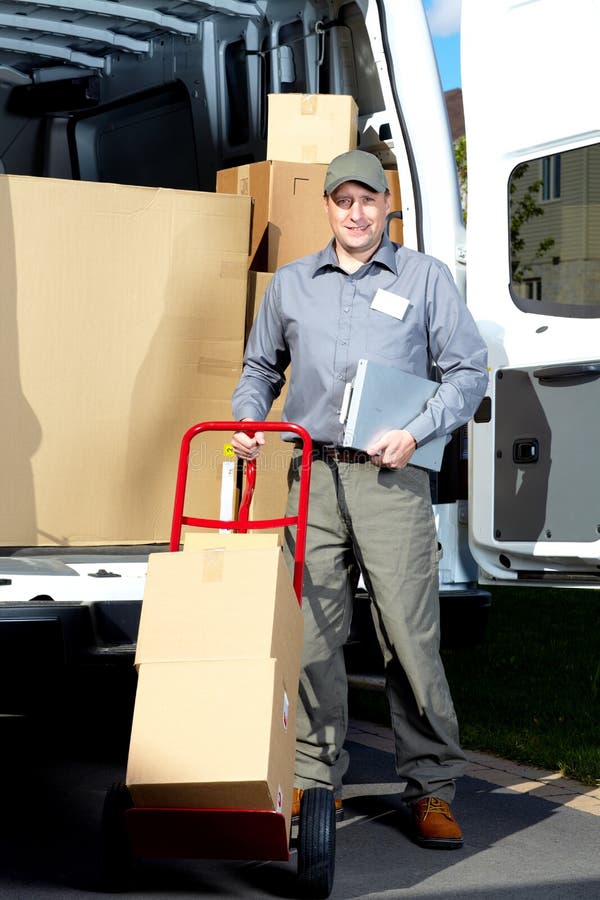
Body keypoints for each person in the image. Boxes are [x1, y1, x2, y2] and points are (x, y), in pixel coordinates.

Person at [231, 149, 488, 849]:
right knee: (314, 637)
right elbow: (259, 368)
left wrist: (417, 430)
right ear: (327, 207)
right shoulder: (291, 285)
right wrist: (249, 418)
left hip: (391, 478)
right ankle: (313, 781)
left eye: (368, 200)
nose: (356, 213)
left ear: (386, 206)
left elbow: (469, 372)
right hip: (311, 477)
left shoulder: (425, 279)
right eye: (343, 200)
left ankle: (431, 787)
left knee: (409, 636)